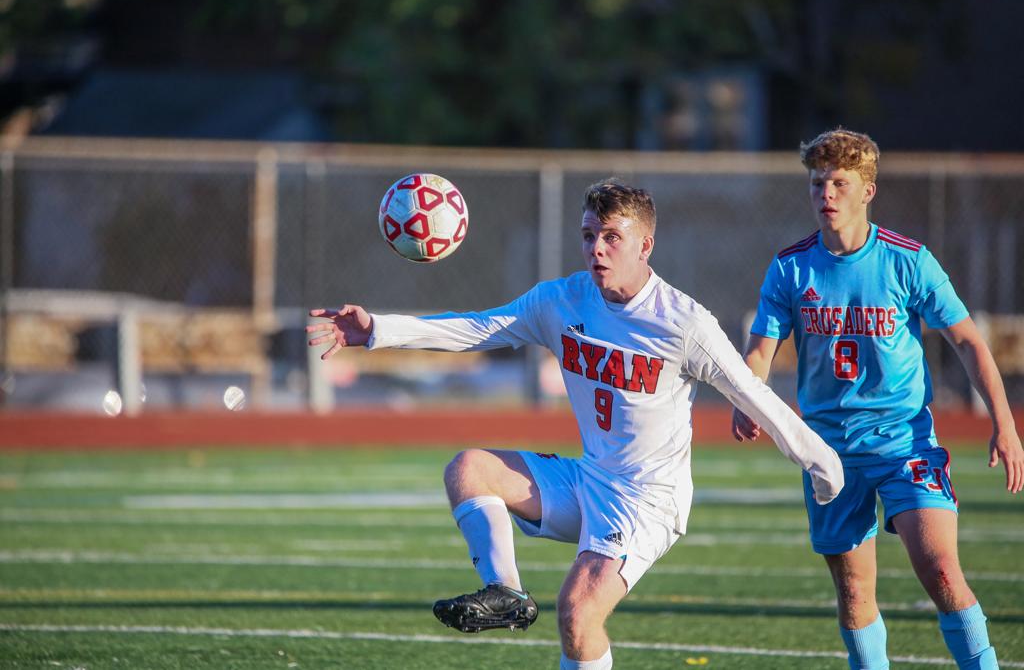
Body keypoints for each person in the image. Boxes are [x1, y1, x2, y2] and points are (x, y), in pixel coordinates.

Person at [308, 180, 844, 670]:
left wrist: (825, 467)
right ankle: (506, 592)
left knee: (578, 612)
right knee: (470, 469)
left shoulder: (683, 322)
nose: (597, 250)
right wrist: (376, 329)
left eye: (612, 237)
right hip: (590, 481)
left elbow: (753, 394)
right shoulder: (559, 301)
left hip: (648, 501)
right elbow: (477, 329)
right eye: (589, 236)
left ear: (645, 246)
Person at [731, 128, 1024, 670]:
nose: (827, 194)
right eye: (818, 183)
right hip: (827, 454)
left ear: (868, 190)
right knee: (853, 593)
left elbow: (968, 342)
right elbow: (760, 352)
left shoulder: (909, 261)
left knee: (939, 570)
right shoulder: (791, 267)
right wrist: (747, 396)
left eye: (840, 183)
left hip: (904, 443)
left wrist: (1004, 425)